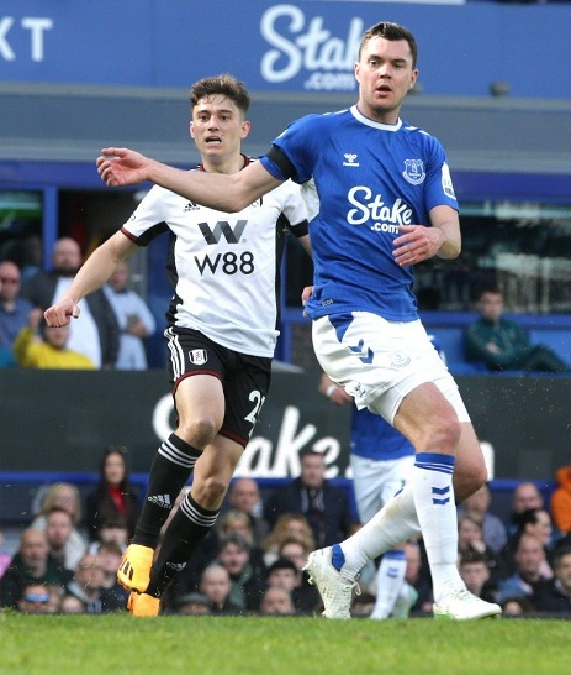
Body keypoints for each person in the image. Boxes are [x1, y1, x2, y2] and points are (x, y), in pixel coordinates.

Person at [95, 22, 501, 620]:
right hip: (346, 316)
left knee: (468, 470)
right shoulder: (317, 134)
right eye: (375, 62)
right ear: (356, 71)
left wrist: (434, 237)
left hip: (403, 321)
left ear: (413, 78)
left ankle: (343, 559)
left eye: (396, 64)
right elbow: (234, 192)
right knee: (437, 436)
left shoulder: (425, 149)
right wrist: (152, 168)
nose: (384, 73)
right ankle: (449, 593)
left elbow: (453, 238)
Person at [51, 74, 314, 618]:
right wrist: (72, 295)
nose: (212, 125)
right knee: (198, 422)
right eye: (204, 118)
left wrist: (326, 283)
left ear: (245, 128)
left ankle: (149, 593)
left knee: (214, 484)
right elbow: (115, 250)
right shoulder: (170, 191)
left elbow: (322, 245)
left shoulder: (279, 189)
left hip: (256, 348)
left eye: (223, 117)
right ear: (192, 129)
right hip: (195, 330)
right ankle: (141, 545)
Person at [24, 237, 119, 370]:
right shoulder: (39, 283)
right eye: (62, 254)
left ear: (79, 257)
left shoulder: (93, 286)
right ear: (52, 257)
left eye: (71, 254)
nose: (67, 258)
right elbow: (26, 315)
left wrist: (111, 360)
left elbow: (111, 324)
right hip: (51, 365)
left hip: (93, 364)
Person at [263, 448, 354, 550]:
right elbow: (272, 527)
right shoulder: (282, 496)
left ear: (324, 469)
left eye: (317, 467)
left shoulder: (337, 496)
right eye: (308, 467)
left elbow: (347, 528)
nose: (312, 472)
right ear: (301, 468)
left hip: (329, 553)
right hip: (293, 552)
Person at [463, 286, 567, 373]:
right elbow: (496, 360)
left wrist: (502, 351)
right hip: (497, 375)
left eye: (497, 303)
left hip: (522, 369)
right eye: (489, 302)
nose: (494, 307)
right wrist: (516, 352)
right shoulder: (474, 330)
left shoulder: (511, 325)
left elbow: (526, 348)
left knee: (541, 354)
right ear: (480, 305)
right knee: (540, 353)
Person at [101, 259, 156, 370]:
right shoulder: (101, 296)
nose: (117, 277)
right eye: (114, 272)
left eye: (121, 272)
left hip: (135, 354)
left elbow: (150, 326)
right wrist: (131, 324)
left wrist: (124, 326)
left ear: (127, 275)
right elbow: (111, 324)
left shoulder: (133, 298)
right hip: (111, 353)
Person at [81, 445, 141, 544]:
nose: (114, 470)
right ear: (103, 469)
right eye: (109, 465)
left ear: (124, 469)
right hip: (101, 550)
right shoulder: (93, 499)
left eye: (118, 465)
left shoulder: (133, 498)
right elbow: (91, 530)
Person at [14, 308, 93, 370]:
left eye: (62, 327)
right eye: (53, 327)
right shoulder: (37, 352)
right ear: (45, 331)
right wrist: (30, 329)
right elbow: (20, 350)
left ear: (69, 332)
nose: (58, 332)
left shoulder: (84, 361)